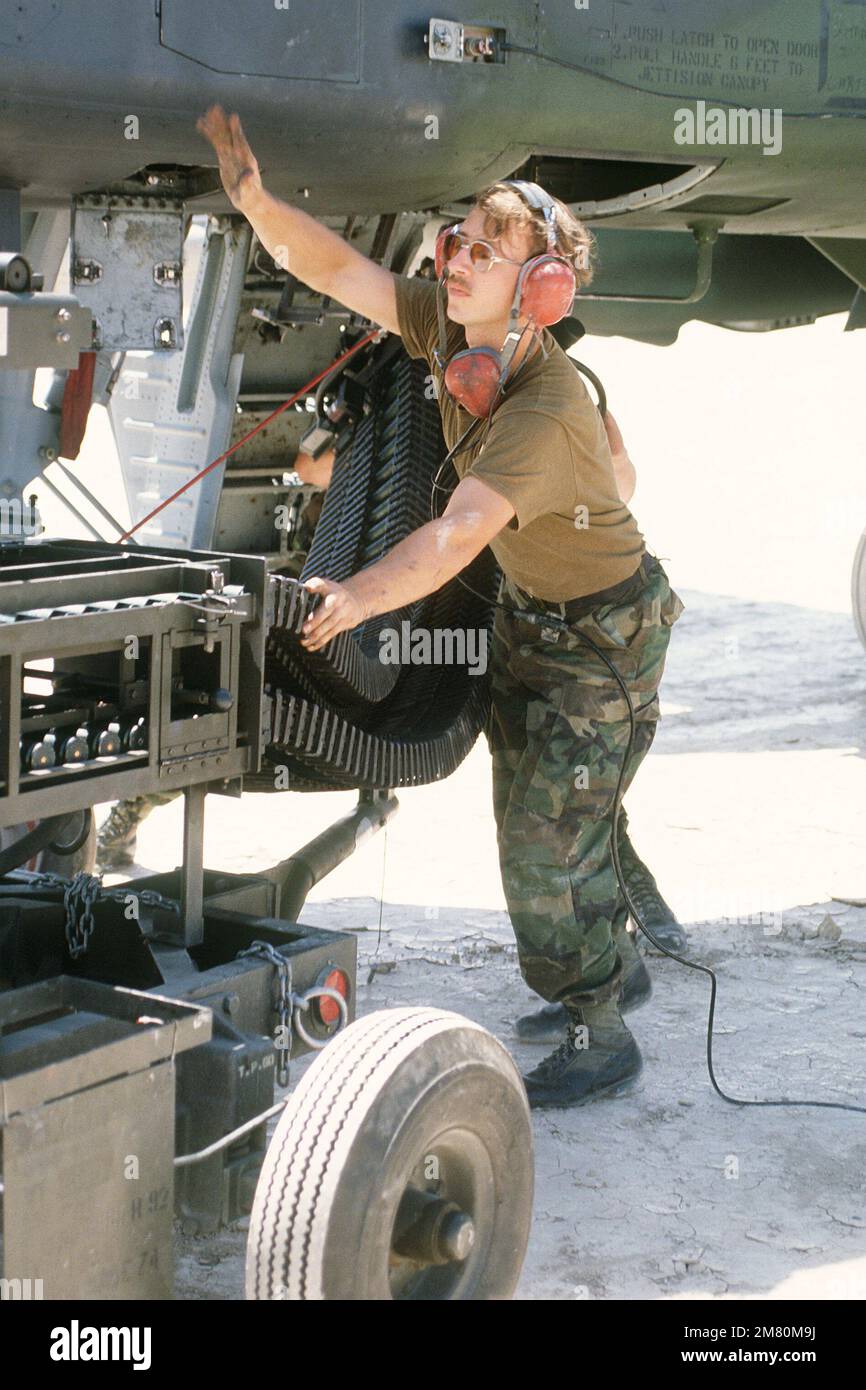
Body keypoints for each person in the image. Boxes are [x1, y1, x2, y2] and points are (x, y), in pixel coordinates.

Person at [196, 108, 688, 1109]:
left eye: (484, 249)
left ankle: (600, 1028)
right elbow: (340, 272)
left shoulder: (545, 407)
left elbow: (459, 535)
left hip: (602, 635)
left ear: (539, 289)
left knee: (543, 841)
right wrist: (255, 204)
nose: (454, 256)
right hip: (536, 619)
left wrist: (356, 595)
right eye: (458, 239)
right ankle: (615, 968)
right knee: (539, 810)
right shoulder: (451, 328)